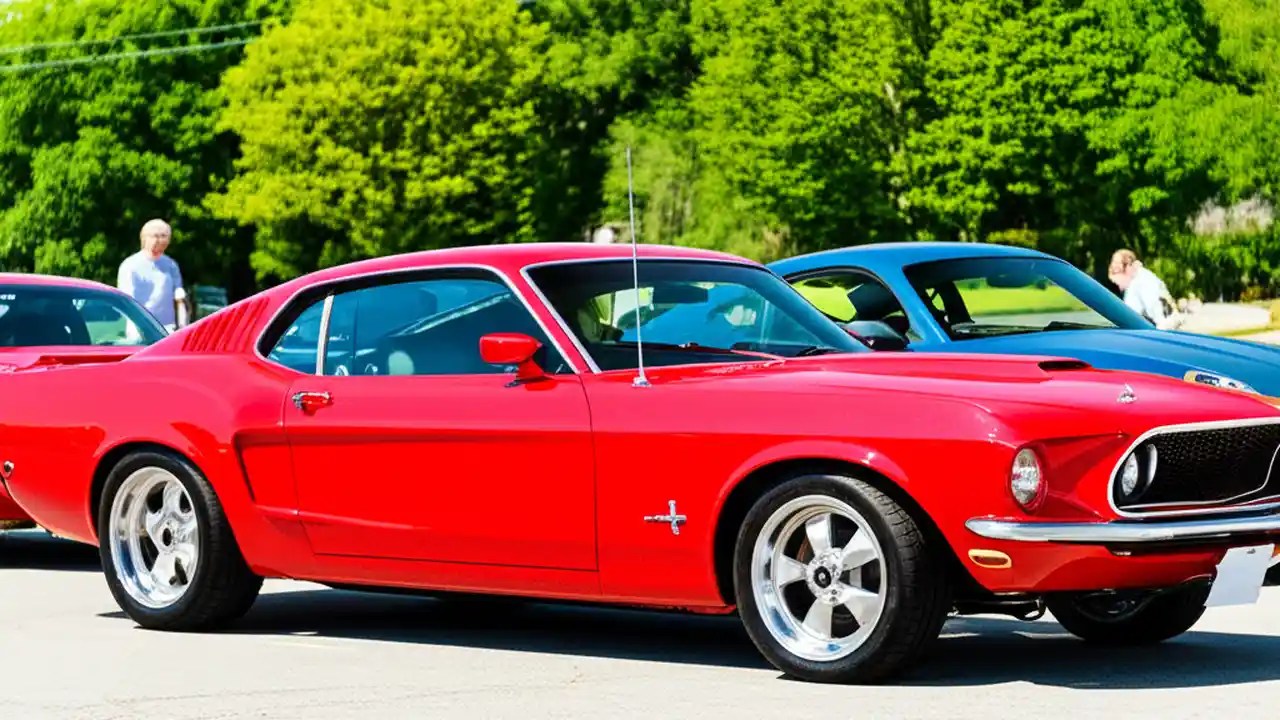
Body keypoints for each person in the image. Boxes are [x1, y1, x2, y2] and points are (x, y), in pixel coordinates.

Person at [118, 219, 189, 332]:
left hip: (167, 329)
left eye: (164, 236)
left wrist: (183, 327)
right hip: (139, 329)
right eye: (155, 235)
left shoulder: (171, 265)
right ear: (144, 238)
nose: (159, 240)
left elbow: (179, 298)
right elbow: (128, 302)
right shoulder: (130, 266)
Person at [1107, 249, 1183, 330]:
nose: (1119, 287)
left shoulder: (1143, 282)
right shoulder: (1140, 279)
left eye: (1119, 282)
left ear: (1128, 268)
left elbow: (1159, 315)